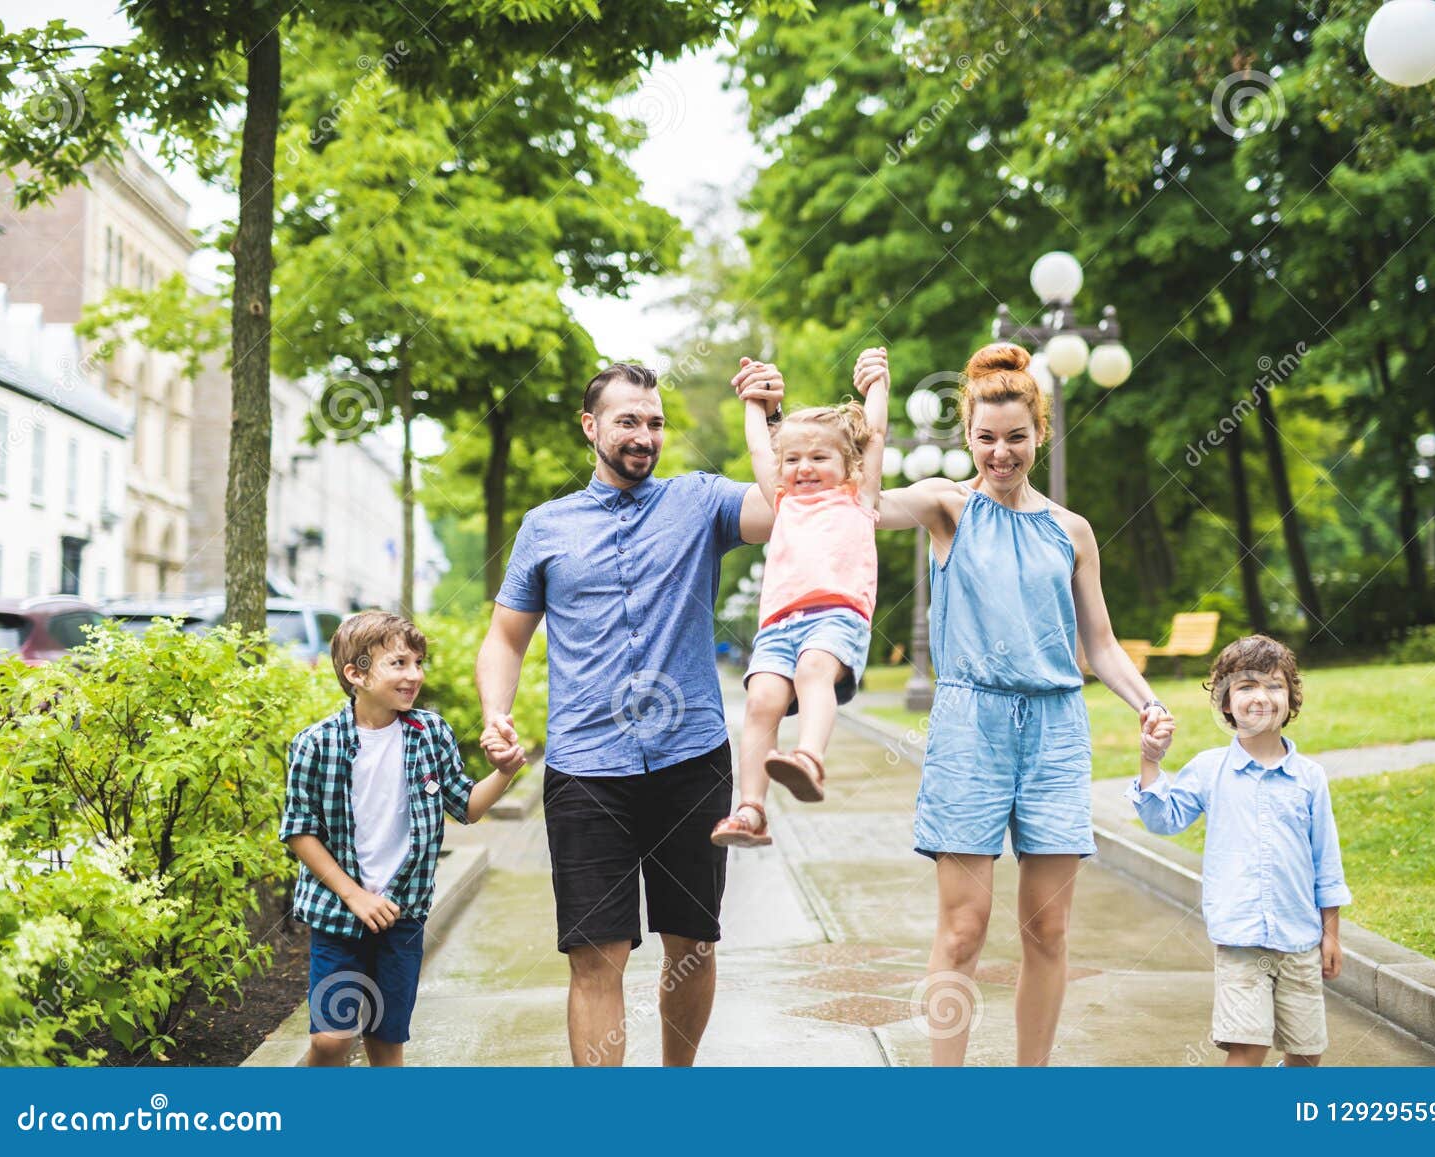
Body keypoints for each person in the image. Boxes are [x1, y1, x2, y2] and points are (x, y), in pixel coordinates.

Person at [475, 359, 784, 1066]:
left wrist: (765, 419)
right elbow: (504, 636)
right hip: (587, 769)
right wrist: (496, 710)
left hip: (691, 760)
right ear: (591, 427)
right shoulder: (545, 527)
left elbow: (781, 511)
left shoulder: (701, 501)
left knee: (692, 941)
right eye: (628, 421)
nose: (644, 435)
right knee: (595, 955)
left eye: (654, 423)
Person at [874, 342, 1172, 1066]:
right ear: (967, 435)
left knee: (1048, 930)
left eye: (1015, 437)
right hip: (970, 725)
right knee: (963, 930)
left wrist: (1145, 700)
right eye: (985, 437)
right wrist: (876, 405)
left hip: (1056, 730)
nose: (1000, 452)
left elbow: (1097, 643)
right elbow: (863, 506)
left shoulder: (1072, 531)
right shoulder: (949, 506)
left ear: (1040, 432)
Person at [280, 611, 521, 1066]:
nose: (415, 675)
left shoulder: (430, 734)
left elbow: (465, 807)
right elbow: (300, 830)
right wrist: (354, 896)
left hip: (403, 913)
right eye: (399, 664)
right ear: (356, 674)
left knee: (386, 1041)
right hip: (337, 914)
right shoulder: (317, 744)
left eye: (418, 662)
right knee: (331, 1039)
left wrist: (504, 773)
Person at [1132, 634, 1351, 1067]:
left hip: (1299, 938)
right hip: (1241, 940)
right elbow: (1164, 819)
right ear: (1227, 703)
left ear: (1291, 699)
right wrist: (1150, 761)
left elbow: (1326, 862)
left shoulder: (1309, 777)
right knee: (1247, 1048)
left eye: (1274, 685)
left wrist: (1332, 934)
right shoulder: (1211, 769)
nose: (1261, 696)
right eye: (1246, 686)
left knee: (1307, 1053)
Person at [710, 349, 889, 847]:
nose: (803, 467)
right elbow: (758, 450)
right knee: (762, 699)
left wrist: (878, 383)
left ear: (846, 463)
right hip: (777, 626)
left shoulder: (858, 496)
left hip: (837, 615)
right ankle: (750, 810)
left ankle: (809, 757)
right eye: (793, 459)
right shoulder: (782, 502)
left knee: (814, 670)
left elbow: (873, 435)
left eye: (818, 457)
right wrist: (752, 401)